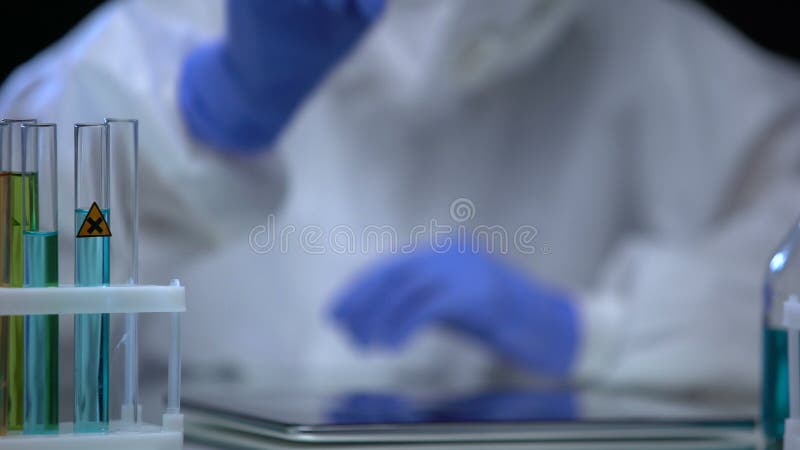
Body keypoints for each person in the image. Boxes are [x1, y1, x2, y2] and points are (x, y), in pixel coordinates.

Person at [2, 0, 800, 402]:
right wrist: (207, 111)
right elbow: (20, 259)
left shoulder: (640, 38)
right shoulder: (166, 26)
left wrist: (599, 333)